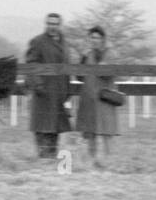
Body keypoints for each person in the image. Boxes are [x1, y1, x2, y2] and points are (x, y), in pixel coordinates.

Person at [25, 13, 72, 158]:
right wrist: (39, 85)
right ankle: (43, 158)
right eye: (50, 23)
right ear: (46, 24)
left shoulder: (65, 43)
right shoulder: (37, 42)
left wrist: (67, 91)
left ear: (59, 25)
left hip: (60, 93)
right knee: (43, 127)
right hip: (43, 93)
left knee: (55, 128)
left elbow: (67, 67)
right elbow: (31, 64)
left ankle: (52, 158)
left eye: (55, 24)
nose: (52, 26)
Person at [75, 26, 119, 158]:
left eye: (97, 37)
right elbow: (79, 77)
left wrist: (102, 65)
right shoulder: (87, 55)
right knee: (90, 132)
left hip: (105, 97)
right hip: (89, 97)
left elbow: (110, 75)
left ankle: (109, 161)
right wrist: (82, 59)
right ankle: (91, 161)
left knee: (107, 132)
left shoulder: (110, 54)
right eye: (92, 37)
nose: (94, 40)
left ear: (103, 39)